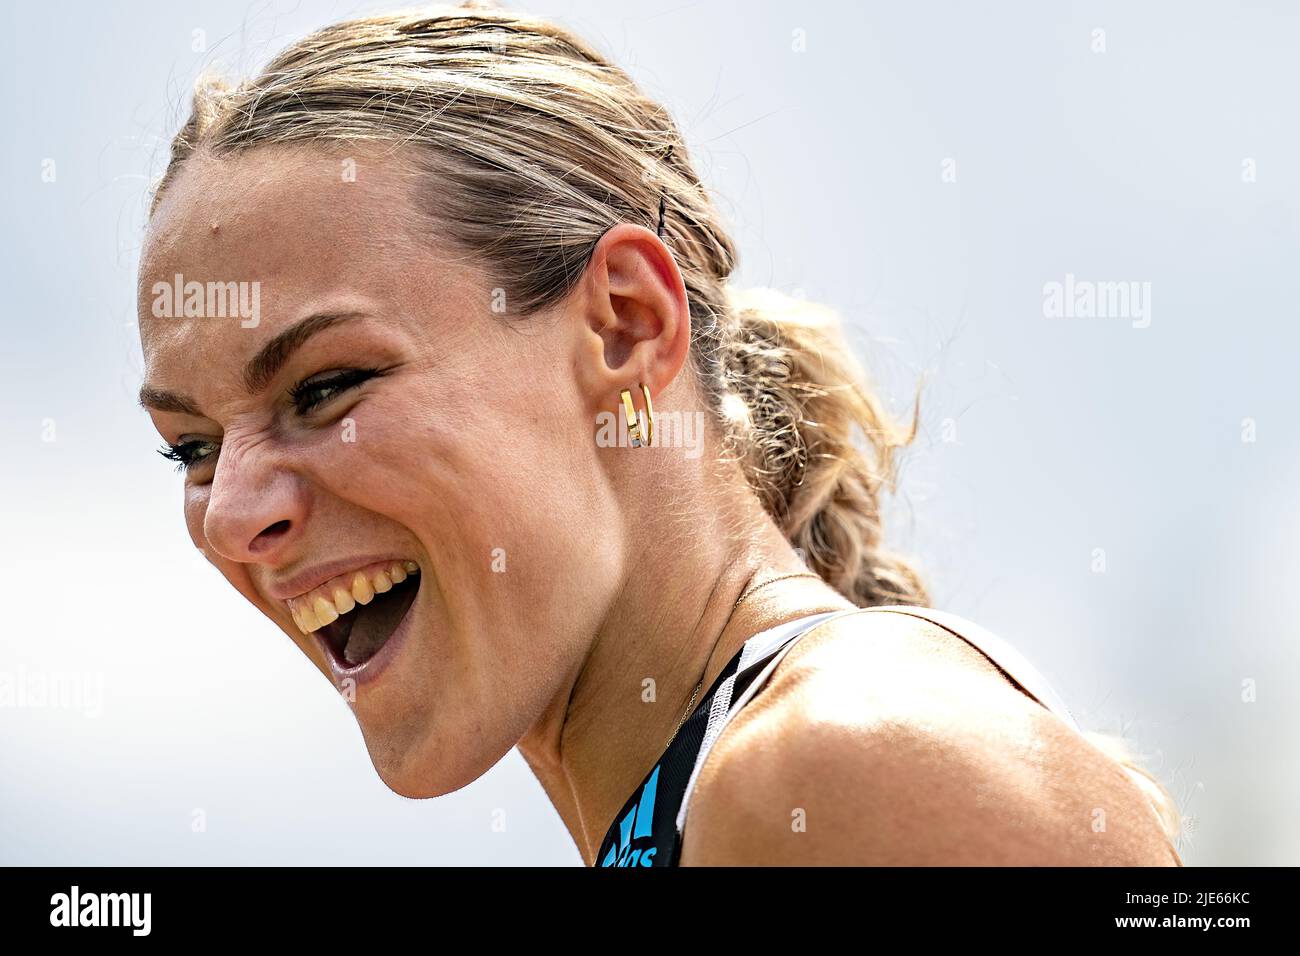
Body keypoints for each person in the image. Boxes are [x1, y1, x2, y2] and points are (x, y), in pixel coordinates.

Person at [136, 3, 1181, 866]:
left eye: (329, 384)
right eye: (190, 448)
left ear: (625, 324)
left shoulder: (846, 765)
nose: (232, 513)